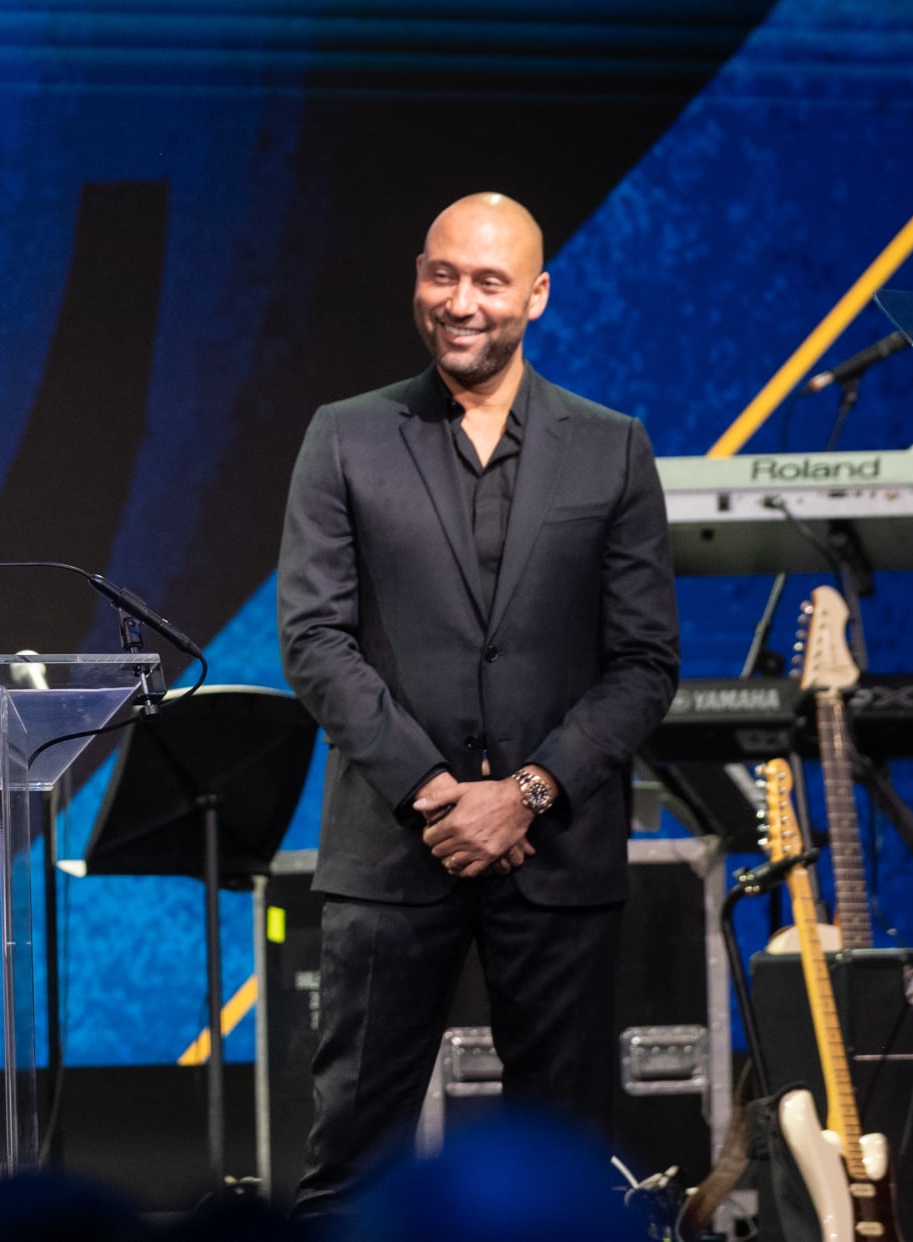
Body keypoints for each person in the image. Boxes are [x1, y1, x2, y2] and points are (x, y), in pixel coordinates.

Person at [276, 193, 678, 1216]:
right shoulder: (344, 437)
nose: (460, 302)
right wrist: (440, 792)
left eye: (489, 282)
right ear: (418, 276)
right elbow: (314, 642)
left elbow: (643, 663)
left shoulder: (613, 448)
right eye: (441, 275)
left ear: (536, 296)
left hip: (556, 862)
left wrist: (527, 794)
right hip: (390, 856)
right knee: (351, 1171)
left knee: (565, 1175)